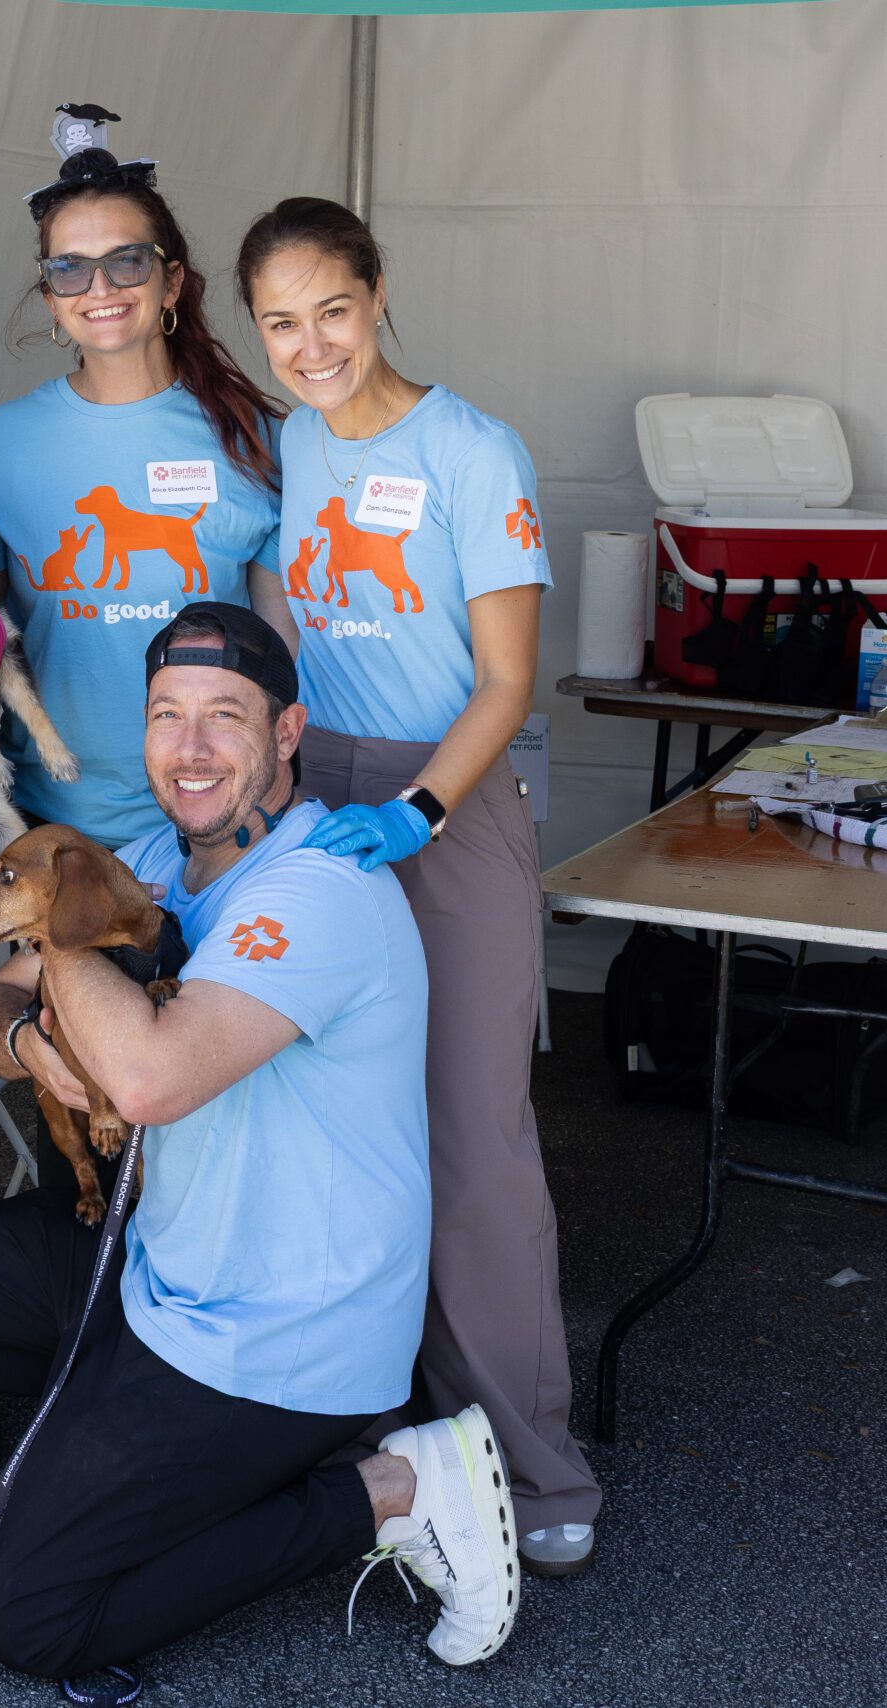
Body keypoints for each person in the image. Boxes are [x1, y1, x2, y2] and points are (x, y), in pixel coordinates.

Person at [0, 604, 520, 1681]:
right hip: (160, 1271)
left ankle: (389, 1490)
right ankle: (139, 1449)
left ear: (287, 733)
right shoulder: (150, 856)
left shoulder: (319, 888)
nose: (191, 747)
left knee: (32, 1621)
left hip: (282, 1333)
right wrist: (30, 1037)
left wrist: (61, 924)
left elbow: (149, 1076)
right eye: (167, 715)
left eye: (224, 717)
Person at [236, 195, 598, 1576]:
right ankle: (371, 1423)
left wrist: (417, 811)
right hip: (312, 791)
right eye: (280, 321)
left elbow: (509, 680)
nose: (311, 344)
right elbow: (282, 618)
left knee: (471, 1136)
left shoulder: (470, 448)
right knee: (331, 1124)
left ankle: (531, 1456)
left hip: (441, 800)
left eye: (332, 308)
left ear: (378, 294)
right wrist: (276, 787)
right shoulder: (288, 440)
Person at [0, 121, 285, 847]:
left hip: (223, 819)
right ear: (50, 298)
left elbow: (288, 645)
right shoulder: (0, 440)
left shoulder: (254, 435)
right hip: (55, 820)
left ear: (171, 278)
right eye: (70, 269)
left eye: (127, 261)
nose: (100, 288)